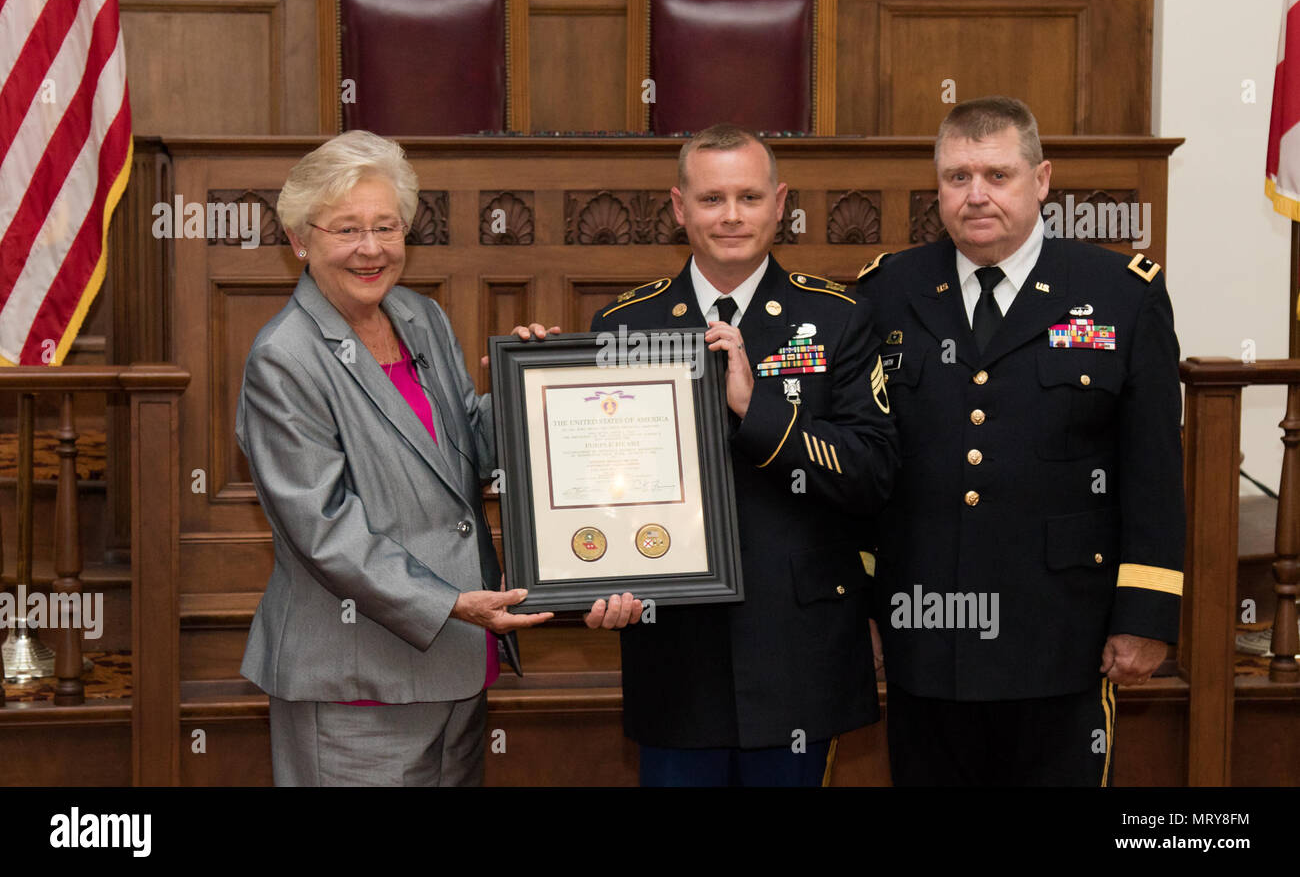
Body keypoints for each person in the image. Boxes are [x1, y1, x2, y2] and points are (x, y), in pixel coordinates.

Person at [857, 96, 1185, 786]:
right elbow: (867, 470)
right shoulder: (888, 292)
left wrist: (1147, 614)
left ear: (1041, 181)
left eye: (998, 175)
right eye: (957, 177)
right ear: (937, 187)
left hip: (1064, 635)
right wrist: (862, 601)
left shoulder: (1120, 293)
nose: (976, 195)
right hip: (926, 634)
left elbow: (1152, 469)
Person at [236, 130, 555, 786]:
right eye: (347, 229)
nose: (371, 248)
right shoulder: (284, 358)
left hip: (457, 665)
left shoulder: (419, 316)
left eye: (387, 227)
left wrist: (533, 388)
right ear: (300, 239)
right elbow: (324, 530)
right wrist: (448, 604)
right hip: (359, 682)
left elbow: (466, 447)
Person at [585, 123, 899, 786]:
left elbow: (871, 473)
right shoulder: (623, 325)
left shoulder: (838, 317)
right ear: (678, 207)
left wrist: (758, 411)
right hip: (675, 654)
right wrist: (594, 577)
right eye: (712, 198)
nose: (732, 216)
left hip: (798, 649)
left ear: (780, 203)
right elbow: (602, 489)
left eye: (750, 197)